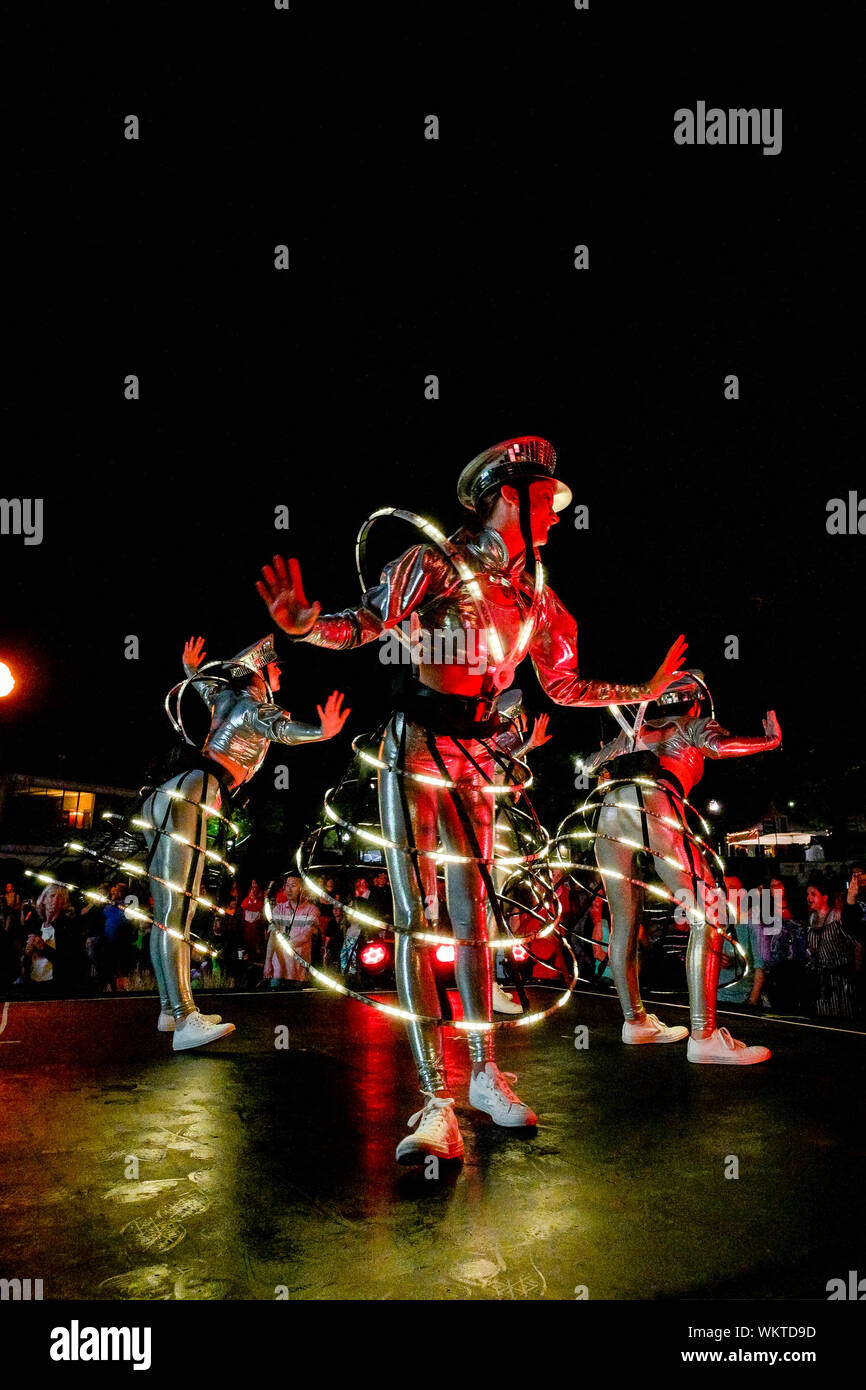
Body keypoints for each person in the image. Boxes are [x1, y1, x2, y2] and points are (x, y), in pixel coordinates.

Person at [257, 434, 687, 1163]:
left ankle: (485, 1075)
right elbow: (366, 623)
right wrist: (307, 628)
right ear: (507, 495)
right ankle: (433, 1101)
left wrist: (641, 691)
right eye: (547, 499)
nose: (555, 513)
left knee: (474, 917)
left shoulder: (538, 593)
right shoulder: (432, 560)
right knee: (413, 916)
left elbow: (562, 684)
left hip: (481, 754)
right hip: (416, 745)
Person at [141, 634, 349, 1050]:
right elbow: (283, 729)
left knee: (167, 912)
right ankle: (184, 1019)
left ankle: (169, 1008)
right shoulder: (254, 704)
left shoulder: (225, 699)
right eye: (274, 667)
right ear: (258, 673)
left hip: (168, 794)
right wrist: (321, 732)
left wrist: (190, 669)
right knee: (177, 913)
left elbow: (202, 685)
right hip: (194, 792)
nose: (279, 671)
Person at [580, 673, 781, 1063]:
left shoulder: (634, 730)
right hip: (656, 802)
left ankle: (635, 1022)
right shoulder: (691, 723)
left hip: (608, 813)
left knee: (623, 921)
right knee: (709, 914)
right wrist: (768, 742)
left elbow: (590, 764)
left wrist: (627, 744)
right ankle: (703, 1036)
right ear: (696, 699)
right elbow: (721, 747)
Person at [806, 874, 858, 1020]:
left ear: (824, 897)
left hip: (842, 985)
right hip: (822, 985)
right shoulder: (811, 920)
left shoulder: (837, 916)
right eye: (808, 894)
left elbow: (855, 944)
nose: (809, 897)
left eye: (813, 894)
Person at [717, 874, 769, 1011]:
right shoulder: (717, 922)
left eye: (732, 888)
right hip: (718, 996)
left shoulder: (753, 924)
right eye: (724, 888)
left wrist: (752, 1000)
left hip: (743, 999)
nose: (726, 893)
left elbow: (760, 966)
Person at [265, 874, 322, 987]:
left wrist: (283, 945)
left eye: (293, 886)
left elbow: (305, 936)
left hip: (298, 972)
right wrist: (268, 962)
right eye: (287, 885)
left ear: (302, 889)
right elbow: (272, 935)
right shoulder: (279, 909)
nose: (289, 889)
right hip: (278, 970)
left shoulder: (312, 910)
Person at [763, 876, 809, 1013]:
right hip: (775, 970)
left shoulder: (799, 909)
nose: (776, 888)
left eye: (779, 884)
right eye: (772, 886)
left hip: (799, 968)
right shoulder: (765, 913)